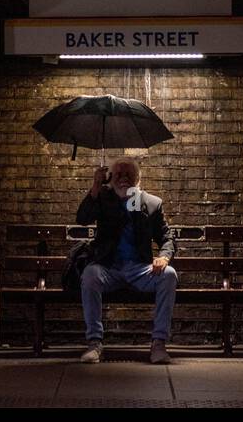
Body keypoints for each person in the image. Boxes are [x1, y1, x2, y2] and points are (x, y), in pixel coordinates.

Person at [76, 156, 177, 364]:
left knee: (169, 275)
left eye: (128, 174)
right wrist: (96, 185)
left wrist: (164, 257)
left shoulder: (151, 203)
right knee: (89, 274)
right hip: (109, 268)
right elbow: (82, 218)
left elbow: (167, 237)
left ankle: (158, 344)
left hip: (140, 269)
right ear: (111, 178)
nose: (123, 179)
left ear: (137, 178)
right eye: (118, 174)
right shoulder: (103, 198)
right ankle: (95, 343)